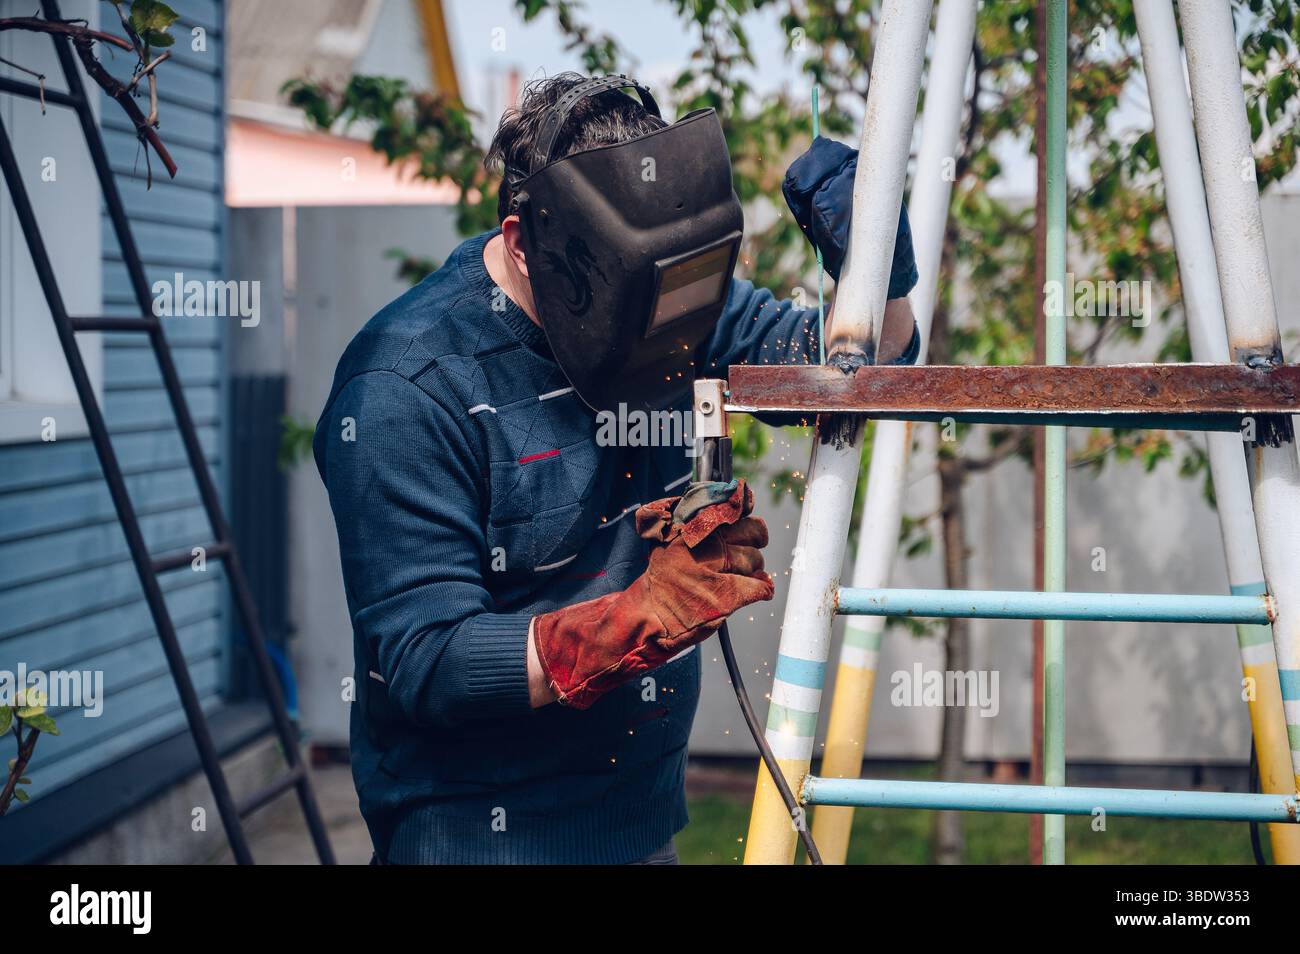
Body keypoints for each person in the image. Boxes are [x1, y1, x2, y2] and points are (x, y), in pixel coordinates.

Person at [314, 72, 919, 865]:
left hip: (641, 831)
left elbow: (857, 373)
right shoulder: (406, 386)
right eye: (624, 293)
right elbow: (432, 662)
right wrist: (637, 618)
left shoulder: (662, 292)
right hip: (478, 843)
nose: (656, 329)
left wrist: (876, 272)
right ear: (525, 242)